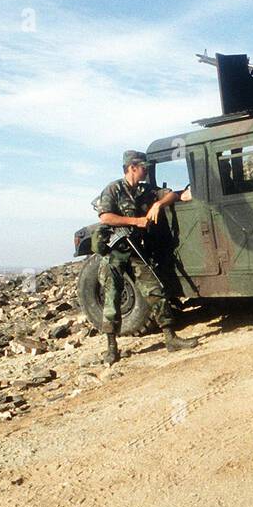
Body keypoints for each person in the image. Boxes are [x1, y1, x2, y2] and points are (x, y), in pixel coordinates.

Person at [93, 151, 194, 365]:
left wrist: (158, 204)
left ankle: (170, 338)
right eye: (143, 167)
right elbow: (105, 216)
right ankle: (111, 348)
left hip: (137, 250)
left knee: (155, 289)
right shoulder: (114, 189)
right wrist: (135, 221)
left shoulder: (145, 190)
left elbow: (171, 195)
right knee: (112, 297)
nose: (146, 171)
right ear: (132, 167)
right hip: (116, 251)